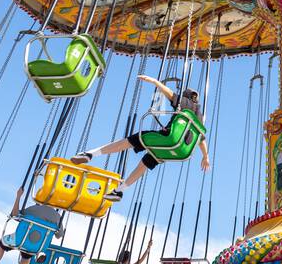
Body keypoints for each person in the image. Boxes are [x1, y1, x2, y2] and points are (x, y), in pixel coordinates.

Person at [72, 75, 211, 187]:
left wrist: (155, 81)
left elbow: (169, 94)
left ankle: (90, 154)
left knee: (130, 141)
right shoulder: (198, 119)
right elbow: (201, 141)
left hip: (167, 139)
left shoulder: (183, 102)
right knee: (146, 162)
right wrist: (205, 157)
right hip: (178, 152)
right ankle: (120, 191)